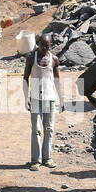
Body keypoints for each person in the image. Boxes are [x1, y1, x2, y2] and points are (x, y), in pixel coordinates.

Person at [22, 33, 62, 169]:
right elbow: (25, 78)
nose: (45, 47)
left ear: (51, 45)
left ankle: (47, 158)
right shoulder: (31, 58)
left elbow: (57, 80)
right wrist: (25, 97)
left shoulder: (54, 59)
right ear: (38, 44)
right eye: (43, 44)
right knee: (36, 130)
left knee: (49, 129)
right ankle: (35, 160)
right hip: (35, 99)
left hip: (49, 99)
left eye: (48, 45)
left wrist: (61, 100)